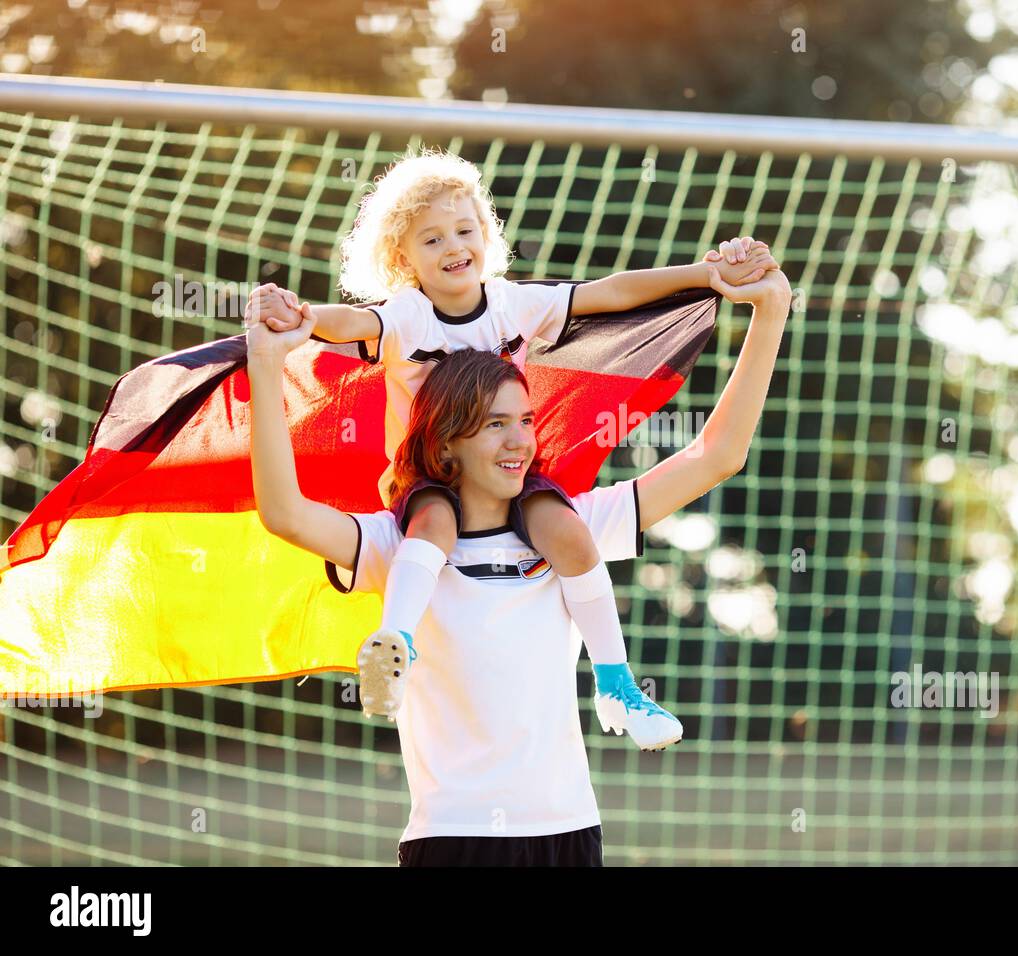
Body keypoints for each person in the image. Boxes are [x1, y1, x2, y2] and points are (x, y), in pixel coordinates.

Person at [245, 250, 791, 866]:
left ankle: (621, 687)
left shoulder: (570, 529)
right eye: (494, 424)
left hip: (567, 833)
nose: (520, 441)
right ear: (447, 442)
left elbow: (715, 457)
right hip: (452, 839)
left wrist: (770, 313)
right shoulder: (400, 547)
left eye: (526, 420)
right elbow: (284, 513)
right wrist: (266, 364)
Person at [243, 146, 778, 748]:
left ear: (486, 235)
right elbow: (349, 324)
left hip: (512, 476)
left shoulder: (512, 303)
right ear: (402, 258)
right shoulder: (408, 316)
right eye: (432, 239)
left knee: (570, 533)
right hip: (427, 476)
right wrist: (302, 314)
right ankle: (395, 645)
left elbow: (610, 291)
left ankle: (617, 684)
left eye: (465, 230)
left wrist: (704, 276)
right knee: (434, 525)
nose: (454, 247)